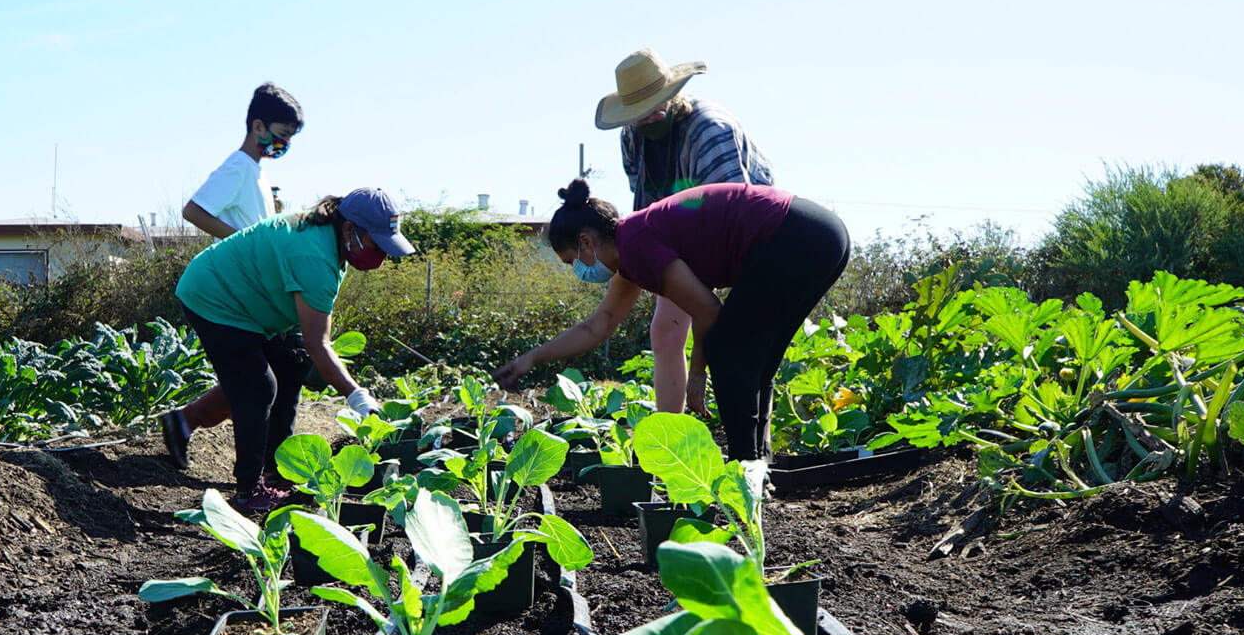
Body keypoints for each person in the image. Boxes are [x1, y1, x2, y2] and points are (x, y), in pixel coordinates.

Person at [493, 179, 847, 464]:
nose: (578, 271)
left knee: (730, 350)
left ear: (586, 241)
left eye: (572, 261)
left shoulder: (638, 246)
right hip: (819, 233)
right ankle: (758, 462)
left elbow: (708, 310)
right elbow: (597, 325)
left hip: (795, 235)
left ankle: (745, 467)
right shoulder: (629, 252)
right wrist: (532, 358)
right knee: (755, 358)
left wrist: (698, 374)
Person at [175, 187, 410, 510]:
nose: (381, 258)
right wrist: (357, 395)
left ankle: (275, 471)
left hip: (252, 302)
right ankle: (248, 489)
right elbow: (318, 342)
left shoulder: (328, 241)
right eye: (376, 244)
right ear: (348, 229)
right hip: (215, 297)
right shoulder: (313, 255)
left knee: (290, 364)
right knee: (258, 387)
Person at [596, 48, 773, 417]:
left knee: (736, 337)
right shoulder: (633, 137)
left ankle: (749, 437)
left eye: (655, 106)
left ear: (672, 95)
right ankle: (672, 435)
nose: (647, 118)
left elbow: (732, 215)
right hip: (680, 231)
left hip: (753, 234)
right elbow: (646, 207)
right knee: (665, 332)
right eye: (638, 114)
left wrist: (701, 364)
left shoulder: (711, 130)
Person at [160, 83, 305, 470]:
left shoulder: (256, 172)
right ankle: (267, 472)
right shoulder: (238, 167)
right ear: (258, 126)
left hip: (259, 292)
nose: (284, 143)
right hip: (242, 293)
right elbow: (193, 210)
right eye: (281, 134)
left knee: (267, 377)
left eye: (290, 138)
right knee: (268, 380)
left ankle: (183, 421)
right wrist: (243, 243)